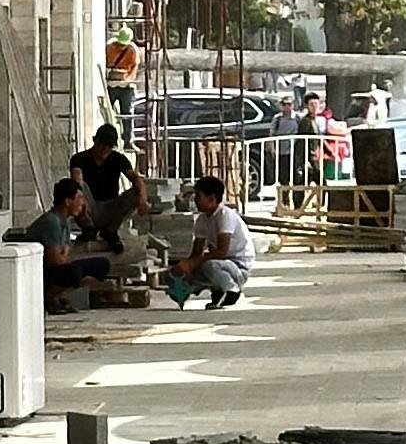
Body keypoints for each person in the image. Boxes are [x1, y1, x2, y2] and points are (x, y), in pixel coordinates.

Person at [166, 172, 254, 309]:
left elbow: (222, 252)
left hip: (237, 265)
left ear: (212, 198)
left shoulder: (225, 215)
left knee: (210, 266)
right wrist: (185, 268)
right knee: (175, 274)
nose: (195, 200)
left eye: (199, 196)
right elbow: (196, 253)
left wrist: (194, 263)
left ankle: (231, 290)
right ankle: (214, 291)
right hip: (221, 263)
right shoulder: (202, 219)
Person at [23, 176, 113, 304]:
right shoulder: (51, 222)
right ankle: (48, 298)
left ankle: (59, 296)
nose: (83, 203)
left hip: (54, 268)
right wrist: (65, 251)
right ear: (68, 202)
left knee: (102, 264)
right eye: (79, 199)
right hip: (38, 272)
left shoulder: (65, 221)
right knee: (73, 271)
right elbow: (55, 261)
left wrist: (64, 252)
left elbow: (65, 254)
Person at [69, 121, 150, 249]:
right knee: (78, 188)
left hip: (111, 207)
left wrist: (142, 198)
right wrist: (82, 203)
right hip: (89, 206)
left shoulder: (118, 158)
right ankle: (88, 228)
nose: (105, 150)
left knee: (136, 191)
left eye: (109, 146)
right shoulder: (79, 159)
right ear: (95, 141)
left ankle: (110, 230)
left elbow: (135, 178)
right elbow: (77, 178)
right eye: (103, 145)